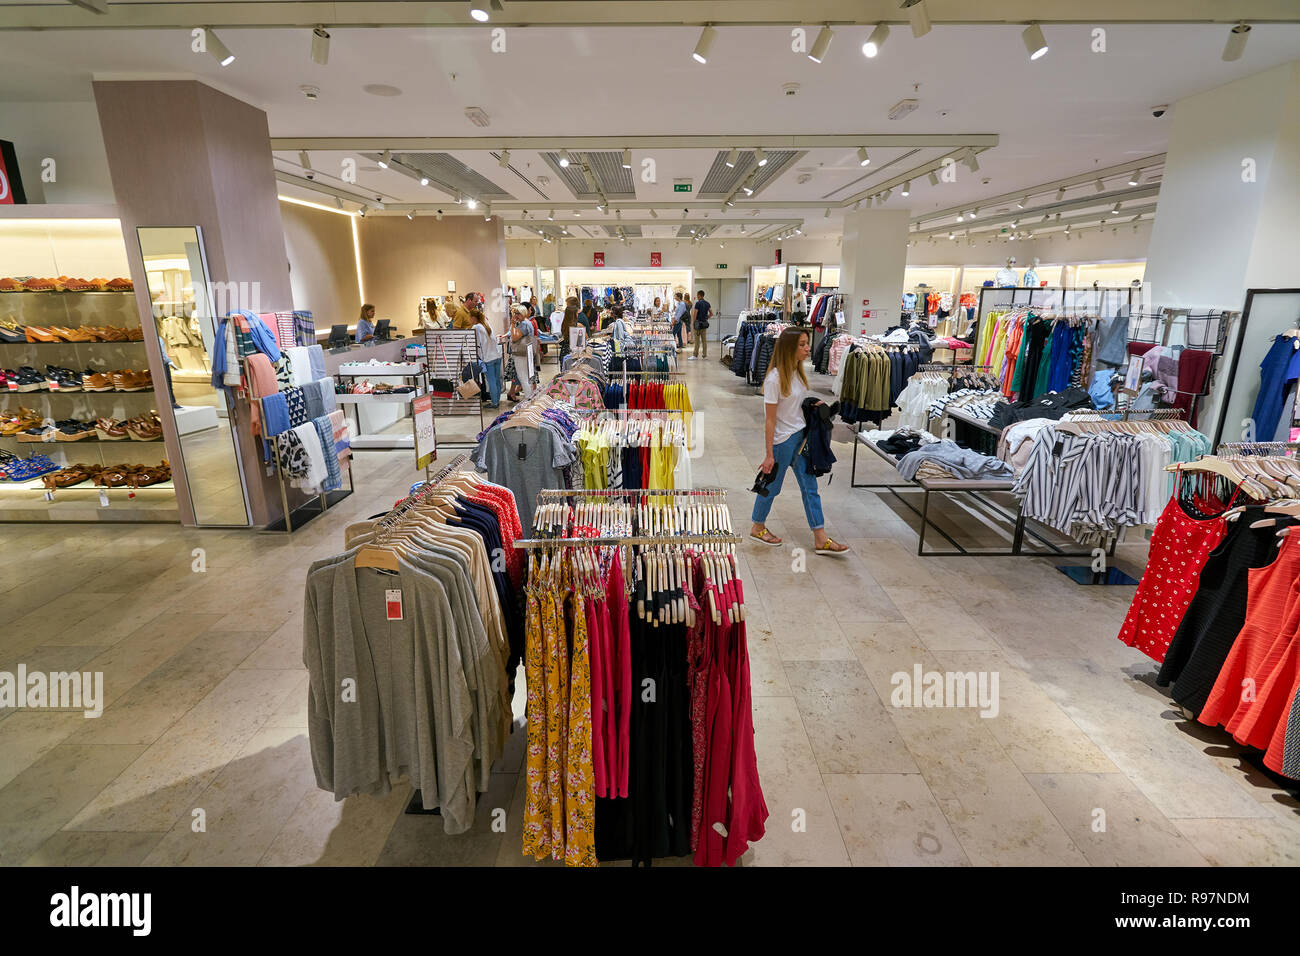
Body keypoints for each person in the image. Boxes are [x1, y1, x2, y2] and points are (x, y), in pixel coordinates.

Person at [750, 328, 849, 555]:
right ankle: (757, 526)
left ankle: (820, 537)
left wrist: (810, 405)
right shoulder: (775, 379)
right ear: (789, 348)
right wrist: (769, 454)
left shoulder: (797, 372)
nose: (807, 349)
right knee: (771, 487)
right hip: (783, 442)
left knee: (810, 487)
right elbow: (770, 420)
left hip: (801, 438)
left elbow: (795, 404)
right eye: (802, 345)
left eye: (807, 344)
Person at [472, 308, 502, 408]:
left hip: (488, 358)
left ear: (473, 318)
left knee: (491, 381)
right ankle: (497, 400)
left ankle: (494, 403)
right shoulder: (487, 324)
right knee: (497, 380)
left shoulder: (476, 327)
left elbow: (475, 342)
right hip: (497, 356)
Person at [508, 305, 537, 400]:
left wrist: (512, 324)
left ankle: (529, 398)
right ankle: (530, 396)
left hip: (521, 353)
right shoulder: (527, 322)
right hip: (526, 352)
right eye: (515, 313)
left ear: (523, 313)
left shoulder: (523, 324)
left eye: (518, 313)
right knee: (527, 376)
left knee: (522, 376)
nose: (516, 315)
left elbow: (514, 337)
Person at [690, 289, 712, 360]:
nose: (697, 296)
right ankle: (704, 355)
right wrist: (706, 318)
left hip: (698, 324)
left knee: (697, 341)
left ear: (699, 295)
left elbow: (695, 313)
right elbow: (711, 313)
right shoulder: (707, 303)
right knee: (704, 340)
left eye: (697, 295)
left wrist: (693, 322)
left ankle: (695, 355)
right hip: (704, 324)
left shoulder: (698, 303)